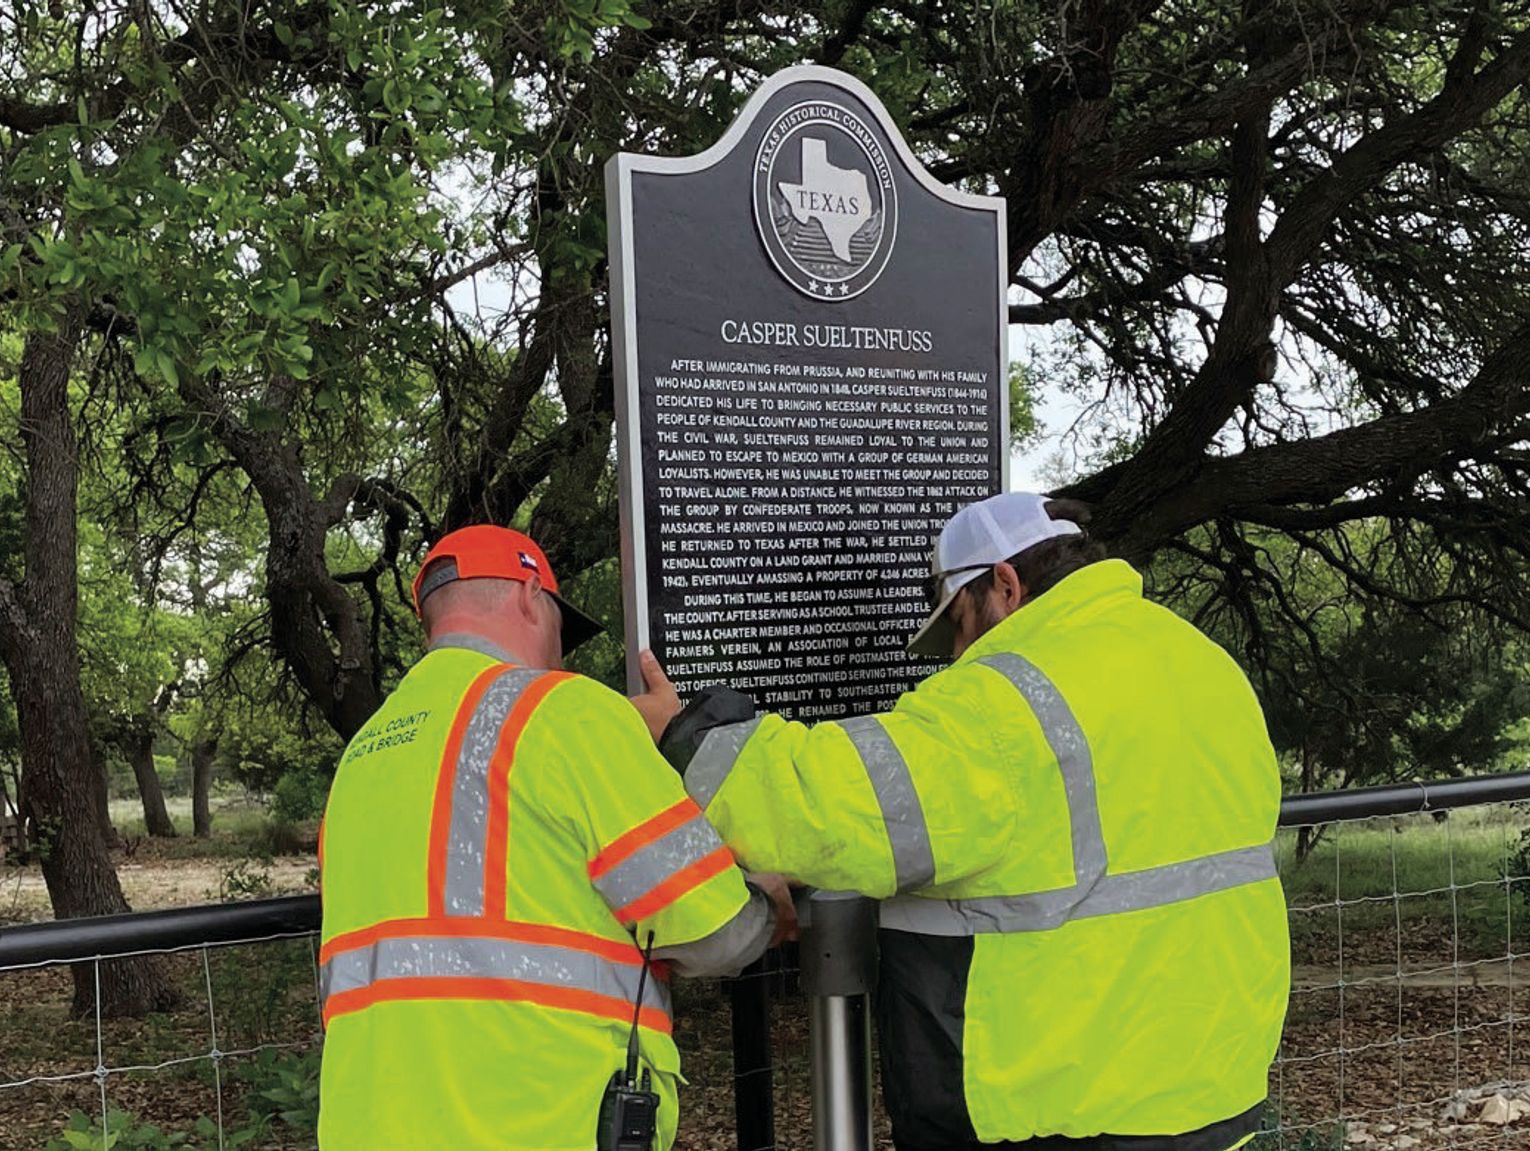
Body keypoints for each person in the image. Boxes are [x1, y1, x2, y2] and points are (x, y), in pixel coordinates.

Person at [632, 493, 1290, 1151]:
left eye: (957, 627)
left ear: (1005, 584)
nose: (955, 655)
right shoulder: (1202, 663)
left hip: (1070, 1114)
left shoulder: (1009, 698)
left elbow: (826, 803)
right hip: (1212, 1095)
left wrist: (684, 735)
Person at [318, 525, 792, 1151]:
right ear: (529, 593)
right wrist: (771, 903)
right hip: (542, 1120)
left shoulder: (362, 757)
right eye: (559, 627)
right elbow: (717, 932)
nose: (560, 652)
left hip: (370, 1128)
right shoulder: (570, 714)